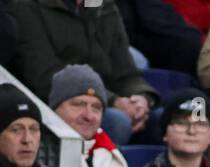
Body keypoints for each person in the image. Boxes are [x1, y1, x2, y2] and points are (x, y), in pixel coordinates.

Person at [12, 0, 159, 147]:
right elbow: (44, 75)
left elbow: (126, 71)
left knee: (161, 119)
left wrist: (141, 98)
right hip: (56, 102)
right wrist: (112, 101)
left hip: (104, 100)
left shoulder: (102, 5)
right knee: (117, 121)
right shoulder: (28, 6)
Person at [49, 64, 139, 167]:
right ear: (55, 109)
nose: (89, 116)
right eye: (78, 105)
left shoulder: (115, 155)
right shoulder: (39, 152)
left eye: (96, 108)